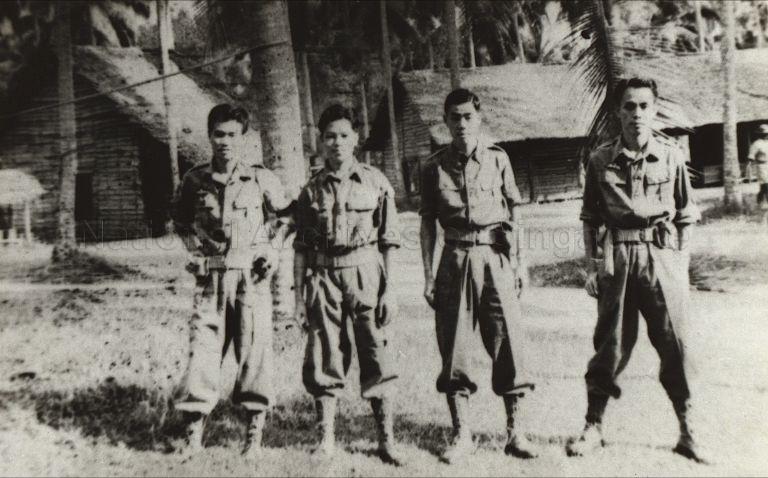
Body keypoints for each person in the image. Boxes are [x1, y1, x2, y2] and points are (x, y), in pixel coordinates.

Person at [566, 78, 705, 463]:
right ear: (618, 112)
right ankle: (593, 426)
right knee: (610, 345)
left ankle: (687, 431)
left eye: (644, 106)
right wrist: (593, 265)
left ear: (654, 109)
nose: (637, 114)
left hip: (662, 257)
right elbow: (590, 218)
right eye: (629, 106)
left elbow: (686, 214)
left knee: (676, 345)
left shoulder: (672, 155)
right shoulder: (599, 160)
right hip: (620, 258)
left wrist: (682, 262)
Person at [419, 88, 536, 463]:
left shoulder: (499, 160)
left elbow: (515, 213)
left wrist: (520, 263)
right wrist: (427, 275)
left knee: (508, 341)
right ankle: (462, 433)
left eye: (468, 116)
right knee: (453, 346)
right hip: (454, 258)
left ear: (479, 118)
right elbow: (426, 224)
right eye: (455, 117)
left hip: (494, 257)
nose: (462, 124)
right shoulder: (433, 166)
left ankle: (516, 433)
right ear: (446, 121)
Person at [173, 104, 292, 459]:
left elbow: (286, 218)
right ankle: (193, 434)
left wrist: (272, 249)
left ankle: (253, 436)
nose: (225, 142)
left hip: (250, 280)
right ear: (210, 136)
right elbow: (179, 221)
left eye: (232, 135)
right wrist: (194, 251)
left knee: (254, 355)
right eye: (219, 134)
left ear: (243, 139)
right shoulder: (195, 180)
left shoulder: (260, 178)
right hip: (211, 279)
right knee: (203, 354)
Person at [293, 104, 403, 465]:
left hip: (365, 274)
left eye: (343, 135)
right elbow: (302, 249)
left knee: (375, 352)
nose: (336, 143)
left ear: (355, 139)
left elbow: (388, 241)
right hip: (324, 276)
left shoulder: (375, 182)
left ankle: (386, 439)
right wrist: (298, 299)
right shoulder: (310, 191)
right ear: (320, 142)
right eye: (329, 136)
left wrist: (389, 289)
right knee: (325, 354)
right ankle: (325, 438)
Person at [747, 123, 768, 226]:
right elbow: (751, 157)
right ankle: (762, 203)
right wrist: (749, 169)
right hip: (761, 166)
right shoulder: (756, 144)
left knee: (764, 188)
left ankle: (760, 202)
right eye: (764, 133)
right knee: (766, 185)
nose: (766, 135)